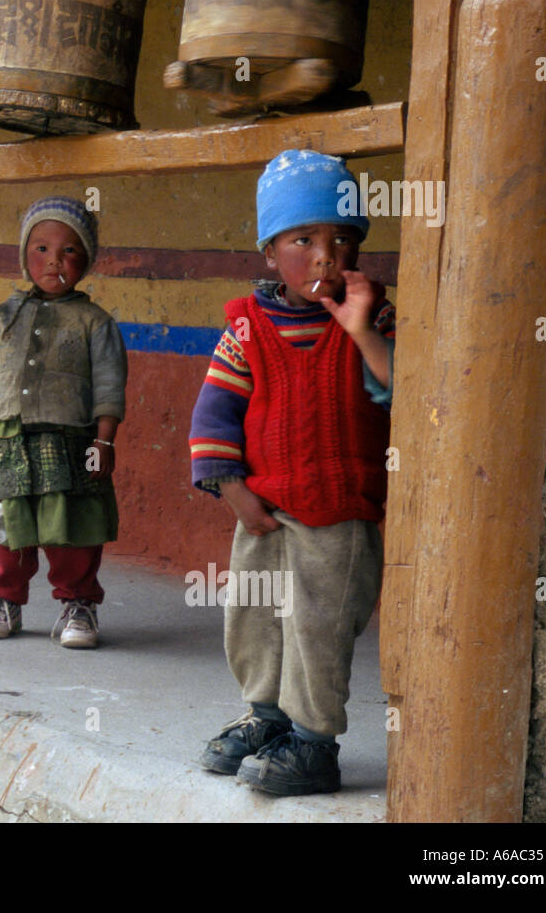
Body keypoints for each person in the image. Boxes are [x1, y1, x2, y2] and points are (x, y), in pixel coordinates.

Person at [189, 148, 394, 796]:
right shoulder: (246, 330)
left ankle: (314, 741)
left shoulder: (376, 319)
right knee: (256, 617)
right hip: (265, 513)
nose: (325, 256)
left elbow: (406, 391)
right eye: (303, 239)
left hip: (339, 519)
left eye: (342, 239)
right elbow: (215, 411)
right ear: (271, 252)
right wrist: (232, 490)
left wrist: (361, 330)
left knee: (317, 627)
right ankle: (268, 717)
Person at [0, 196, 127, 649]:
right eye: (41, 249)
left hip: (73, 444)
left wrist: (103, 442)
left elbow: (109, 387)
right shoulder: (1, 318)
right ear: (24, 256)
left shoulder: (96, 323)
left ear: (87, 260)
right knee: (8, 527)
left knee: (74, 531)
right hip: (9, 442)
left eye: (69, 250)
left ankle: (79, 606)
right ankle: (2, 600)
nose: (55, 262)